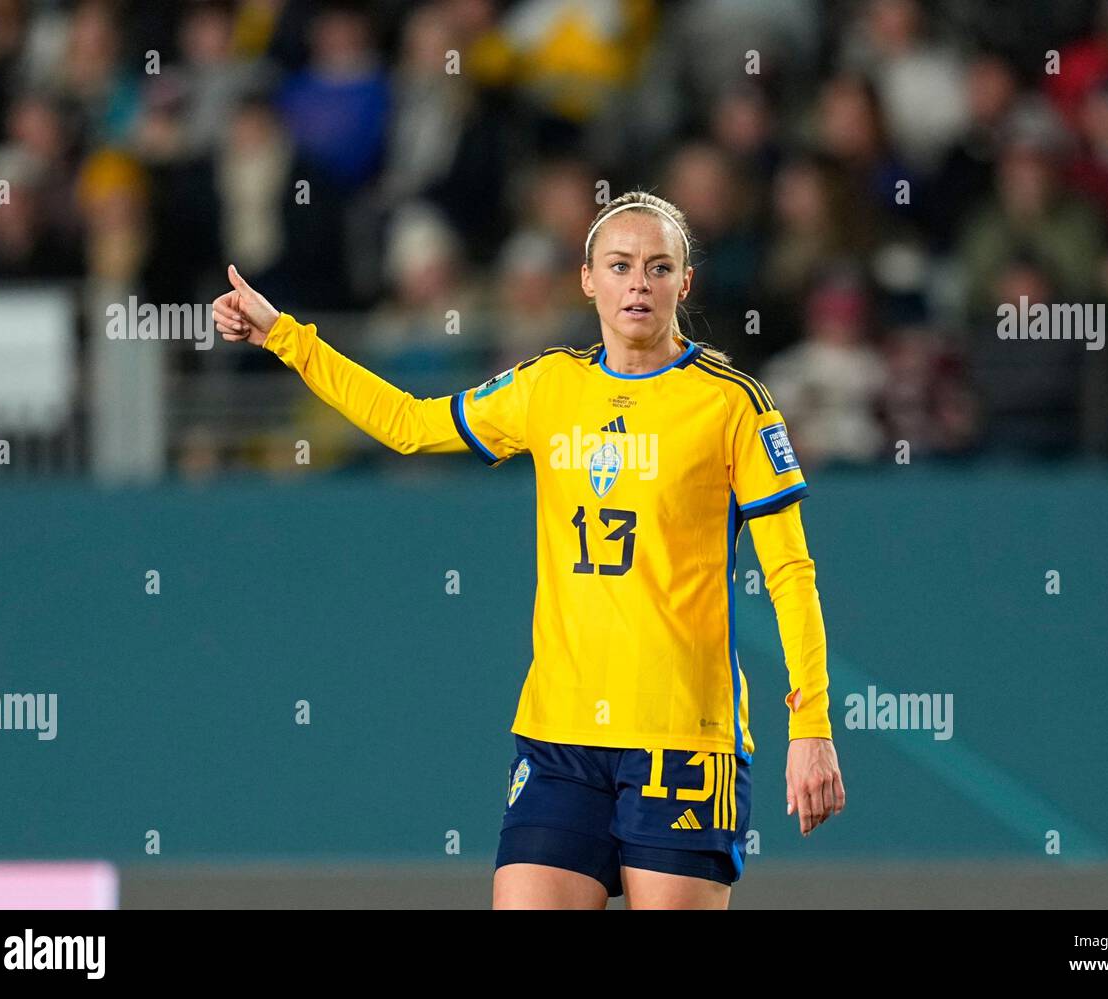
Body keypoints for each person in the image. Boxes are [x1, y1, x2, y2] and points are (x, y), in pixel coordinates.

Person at [211, 190, 845, 910]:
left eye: (658, 266)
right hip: (558, 735)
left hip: (684, 740)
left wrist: (811, 725)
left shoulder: (733, 403)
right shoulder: (549, 386)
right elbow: (412, 425)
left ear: (684, 282)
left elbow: (791, 573)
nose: (638, 282)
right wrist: (286, 336)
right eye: (620, 264)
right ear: (588, 279)